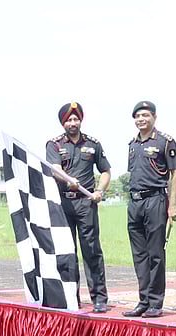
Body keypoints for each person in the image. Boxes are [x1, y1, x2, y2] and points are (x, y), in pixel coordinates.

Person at [46, 101, 111, 313]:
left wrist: (100, 191)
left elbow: (106, 171)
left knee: (91, 250)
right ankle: (70, 296)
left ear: (80, 121)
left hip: (86, 203)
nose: (73, 123)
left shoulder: (93, 144)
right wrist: (67, 179)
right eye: (69, 120)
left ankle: (99, 298)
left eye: (76, 119)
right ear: (63, 123)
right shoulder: (54, 144)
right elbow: (55, 169)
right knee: (67, 252)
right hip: (63, 203)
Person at [123, 101, 176, 318]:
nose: (141, 119)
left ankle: (156, 302)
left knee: (155, 253)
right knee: (139, 255)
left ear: (154, 117)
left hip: (155, 200)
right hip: (135, 202)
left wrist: (173, 205)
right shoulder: (132, 144)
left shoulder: (165, 142)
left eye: (145, 115)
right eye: (138, 116)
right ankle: (144, 300)